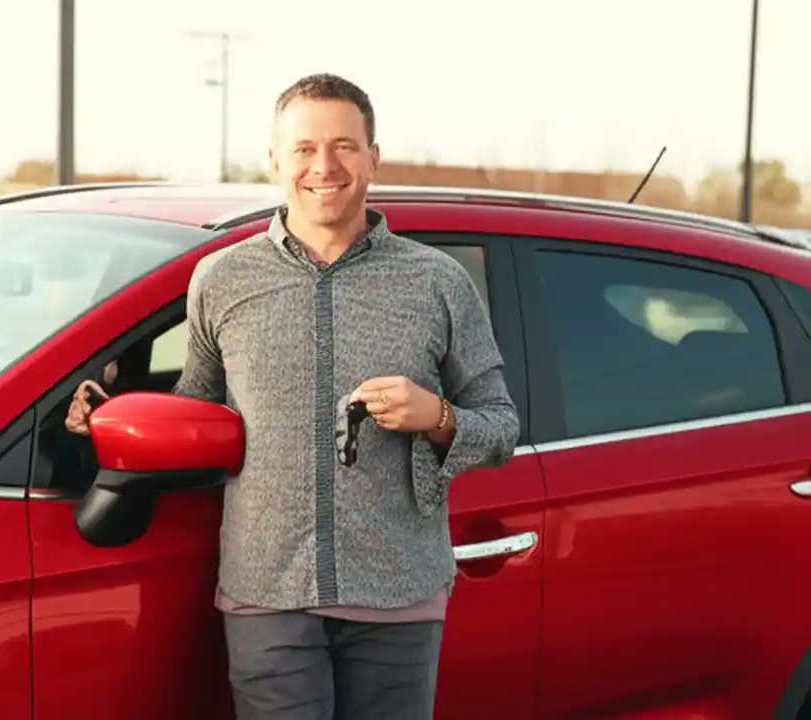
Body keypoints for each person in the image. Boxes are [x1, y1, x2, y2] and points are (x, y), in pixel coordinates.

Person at [66, 73, 519, 719]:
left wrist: (436, 416)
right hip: (267, 595)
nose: (324, 166)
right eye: (304, 148)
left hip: (399, 595)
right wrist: (111, 417)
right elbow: (195, 415)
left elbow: (500, 426)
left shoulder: (437, 283)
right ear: (275, 161)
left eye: (344, 146)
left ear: (372, 158)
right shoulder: (221, 278)